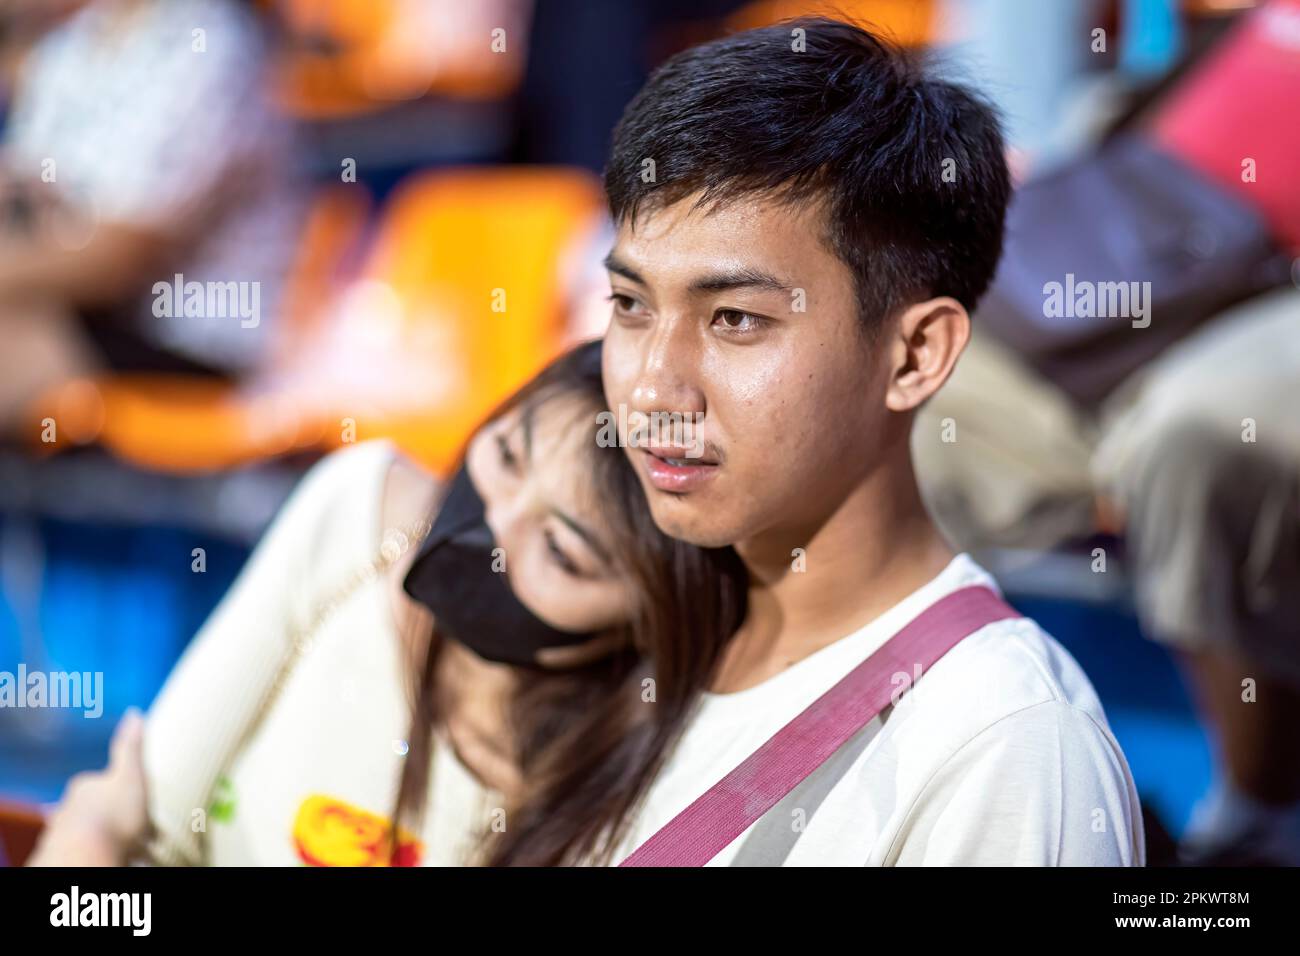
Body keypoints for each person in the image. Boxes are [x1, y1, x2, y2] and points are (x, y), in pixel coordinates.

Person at [596, 16, 1144, 864]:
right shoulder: (623, 626)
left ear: (916, 354)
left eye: (736, 318)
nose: (652, 387)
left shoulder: (1004, 745)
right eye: (631, 305)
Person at [28, 341, 748, 866]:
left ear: (648, 616)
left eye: (562, 553)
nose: (494, 527)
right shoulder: (356, 510)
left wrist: (83, 843)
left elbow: (101, 848)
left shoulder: (633, 773)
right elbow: (151, 832)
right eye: (504, 456)